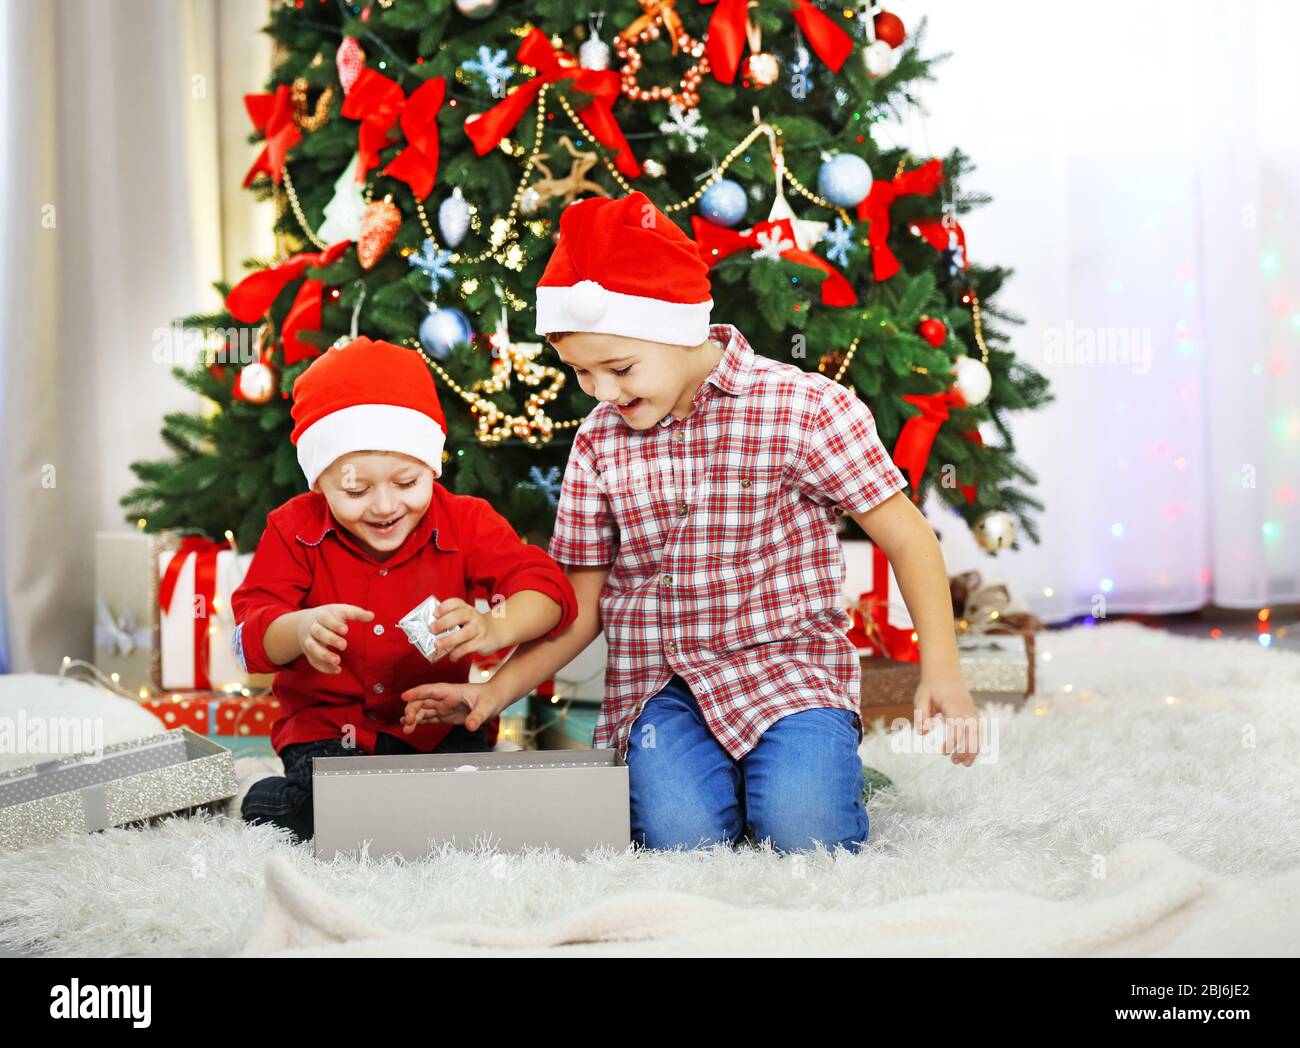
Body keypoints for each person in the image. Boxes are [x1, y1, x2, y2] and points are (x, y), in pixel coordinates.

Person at [402, 191, 979, 854]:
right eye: (582, 374)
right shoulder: (598, 442)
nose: (603, 393)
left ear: (683, 329)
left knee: (806, 836)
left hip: (790, 674)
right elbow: (578, 609)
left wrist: (942, 669)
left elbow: (906, 535)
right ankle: (746, 780)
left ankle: (826, 770)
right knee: (681, 843)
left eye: (618, 369)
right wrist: (491, 692)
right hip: (663, 692)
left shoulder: (804, 408)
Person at [231, 336, 578, 842]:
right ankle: (268, 799)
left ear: (431, 467)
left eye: (407, 482)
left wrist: (492, 624)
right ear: (319, 483)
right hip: (330, 734)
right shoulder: (292, 530)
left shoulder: (465, 521)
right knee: (341, 822)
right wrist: (299, 628)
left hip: (438, 728)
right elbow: (248, 635)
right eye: (355, 490)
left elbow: (550, 594)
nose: (384, 506)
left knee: (471, 815)